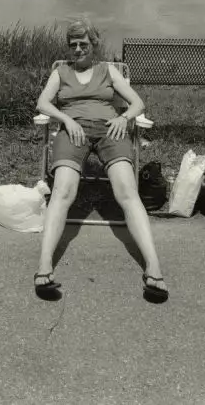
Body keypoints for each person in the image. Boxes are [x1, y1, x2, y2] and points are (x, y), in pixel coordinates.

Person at [34, 19, 167, 300]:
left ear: (94, 45)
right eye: (73, 45)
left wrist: (123, 118)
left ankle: (154, 268)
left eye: (84, 44)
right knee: (63, 192)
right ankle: (44, 266)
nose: (78, 49)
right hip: (74, 129)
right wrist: (66, 120)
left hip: (110, 130)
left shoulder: (107, 70)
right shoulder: (61, 71)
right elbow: (43, 103)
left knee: (127, 192)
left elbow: (138, 103)